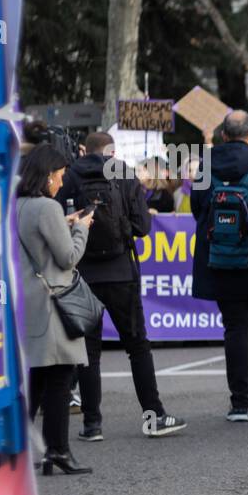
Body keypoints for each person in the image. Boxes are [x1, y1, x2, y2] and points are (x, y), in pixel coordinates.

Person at [58, 132, 186, 440]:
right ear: (112, 152)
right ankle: (154, 416)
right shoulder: (124, 175)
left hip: (82, 274)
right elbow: (143, 227)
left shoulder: (71, 176)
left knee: (89, 352)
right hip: (121, 272)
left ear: (84, 150)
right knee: (138, 346)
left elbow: (59, 222)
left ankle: (92, 424)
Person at [190, 111, 248, 421]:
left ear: (223, 136)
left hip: (220, 261)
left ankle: (238, 403)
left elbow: (197, 211)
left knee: (234, 328)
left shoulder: (205, 167)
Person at [18, 143, 95, 475]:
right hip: (53, 302)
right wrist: (80, 229)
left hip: (28, 301)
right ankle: (58, 451)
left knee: (35, 379)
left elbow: (33, 241)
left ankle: (18, 448)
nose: (62, 183)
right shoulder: (47, 207)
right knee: (61, 378)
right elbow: (67, 258)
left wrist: (62, 222)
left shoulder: (16, 205)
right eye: (60, 176)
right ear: (48, 175)